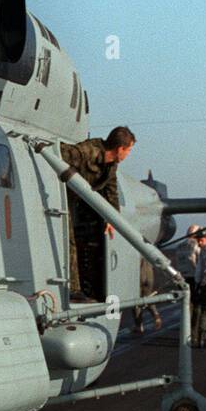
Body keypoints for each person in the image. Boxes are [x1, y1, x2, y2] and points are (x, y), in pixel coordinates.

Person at [59, 126, 136, 301]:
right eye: (129, 150)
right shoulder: (86, 152)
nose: (128, 154)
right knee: (69, 241)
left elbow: (111, 191)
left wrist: (112, 218)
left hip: (75, 202)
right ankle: (73, 289)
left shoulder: (111, 166)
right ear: (120, 149)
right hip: (62, 198)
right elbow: (58, 152)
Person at [131, 258, 162, 335]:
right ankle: (156, 315)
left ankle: (139, 326)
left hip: (139, 274)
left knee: (136, 300)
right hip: (149, 274)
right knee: (148, 297)